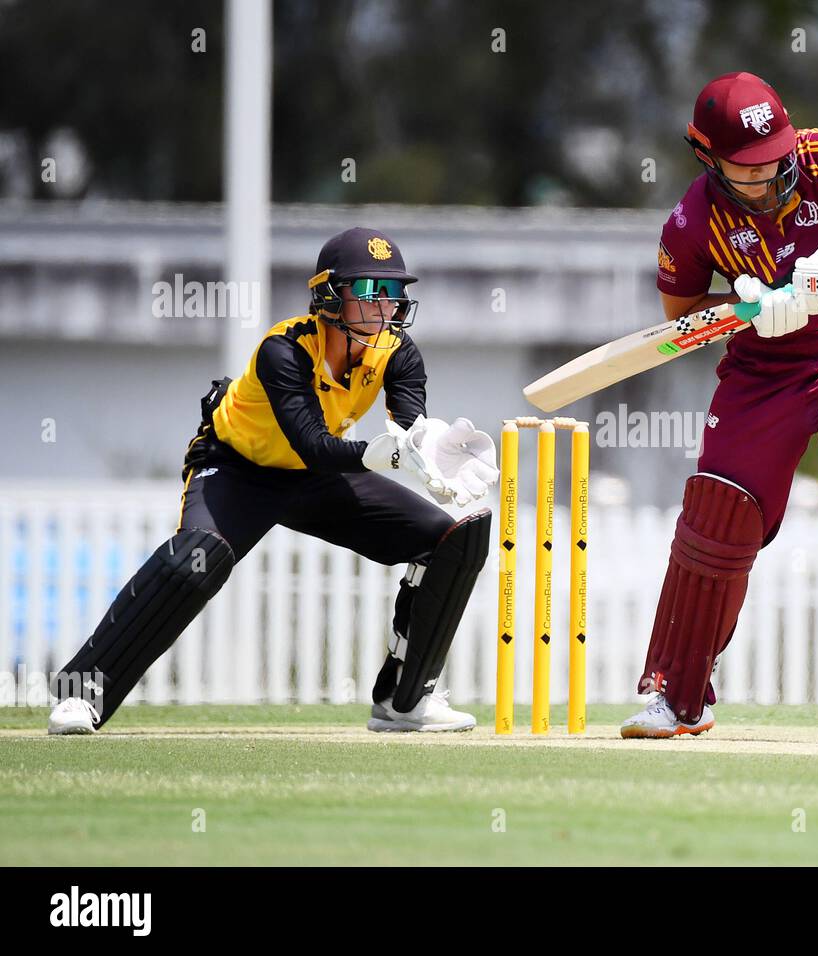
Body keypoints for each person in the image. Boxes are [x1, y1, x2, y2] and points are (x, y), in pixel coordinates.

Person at [48, 227, 499, 735]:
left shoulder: (398, 351)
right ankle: (82, 693)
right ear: (330, 296)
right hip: (238, 469)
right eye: (371, 291)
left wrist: (431, 450)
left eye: (394, 293)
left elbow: (408, 429)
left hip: (315, 480)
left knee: (449, 540)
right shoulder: (283, 350)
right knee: (196, 558)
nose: (386, 307)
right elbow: (311, 442)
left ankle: (405, 699)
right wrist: (381, 455)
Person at [621, 72, 818, 745]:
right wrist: (750, 310)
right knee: (717, 514)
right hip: (764, 373)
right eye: (750, 169)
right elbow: (679, 322)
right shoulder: (691, 222)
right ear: (709, 160)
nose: (771, 177)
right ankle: (678, 697)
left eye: (777, 160)